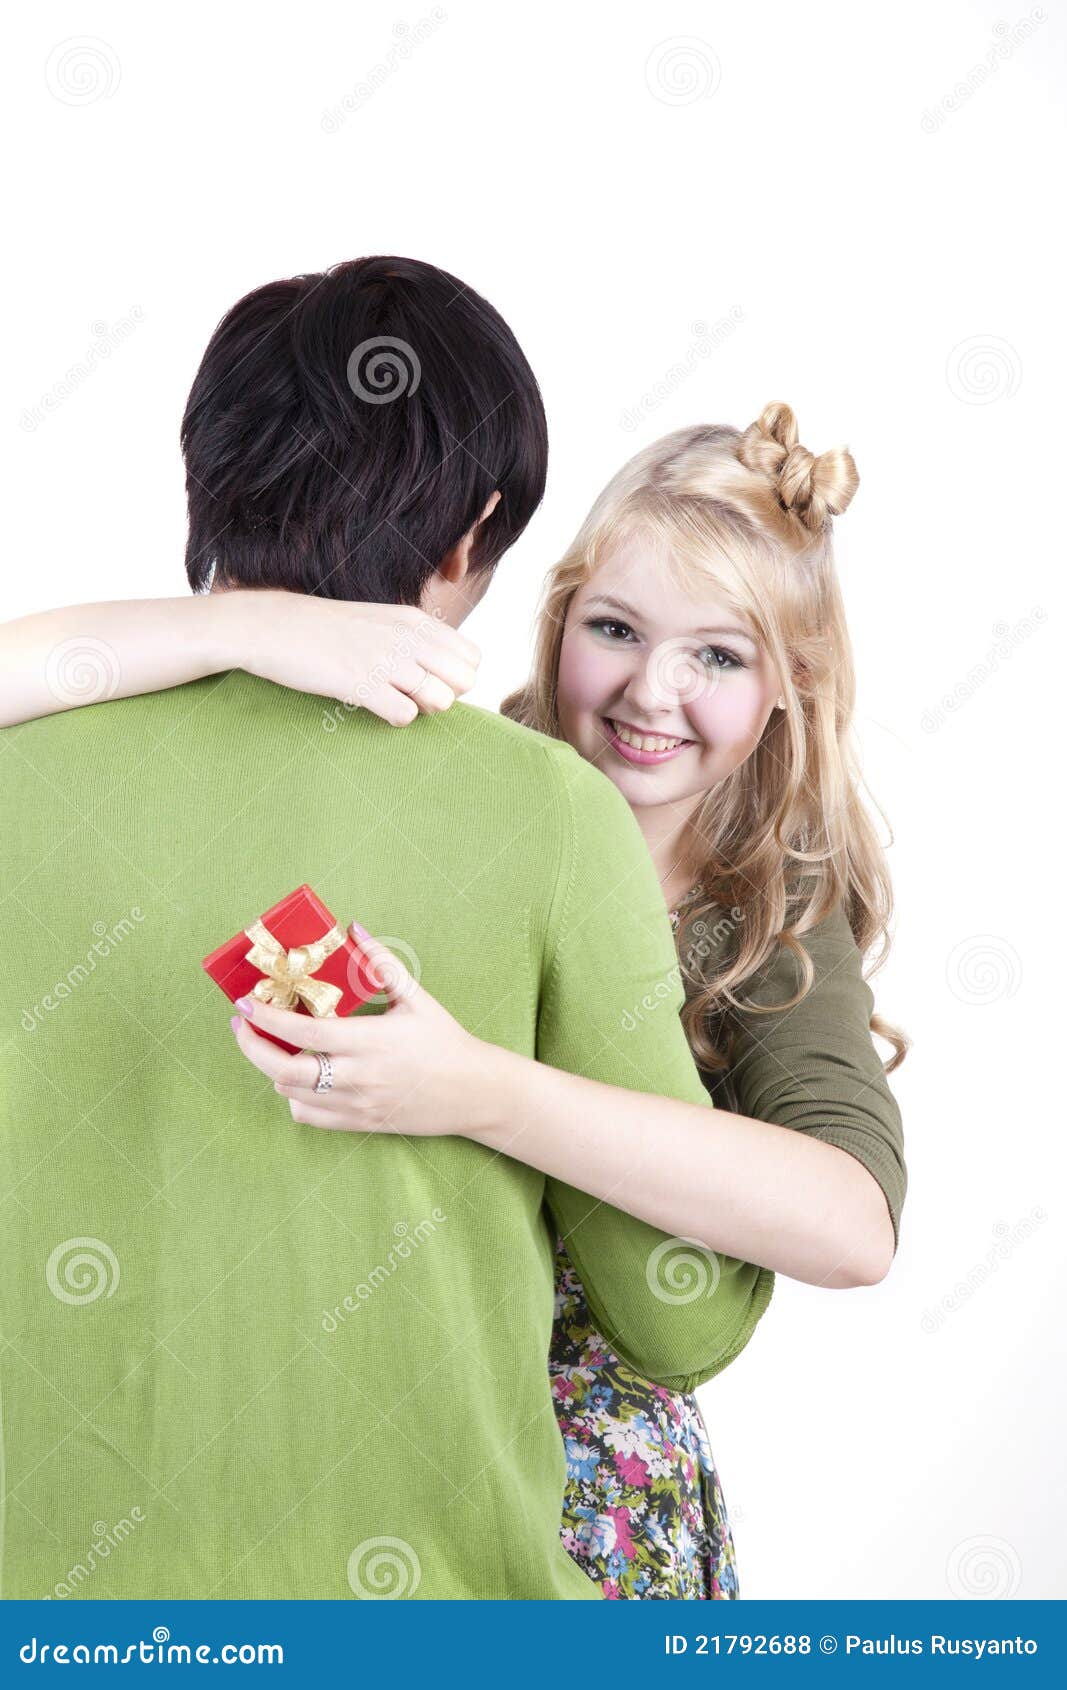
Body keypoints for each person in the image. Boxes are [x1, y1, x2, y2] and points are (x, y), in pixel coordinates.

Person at [2, 367, 907, 1595]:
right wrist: (242, 624)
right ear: (556, 617)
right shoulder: (471, 786)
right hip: (366, 1439)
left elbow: (851, 1228)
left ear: (790, 683)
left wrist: (481, 1089)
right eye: (614, 631)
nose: (652, 691)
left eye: (717, 655)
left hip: (582, 1473)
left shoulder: (766, 913)